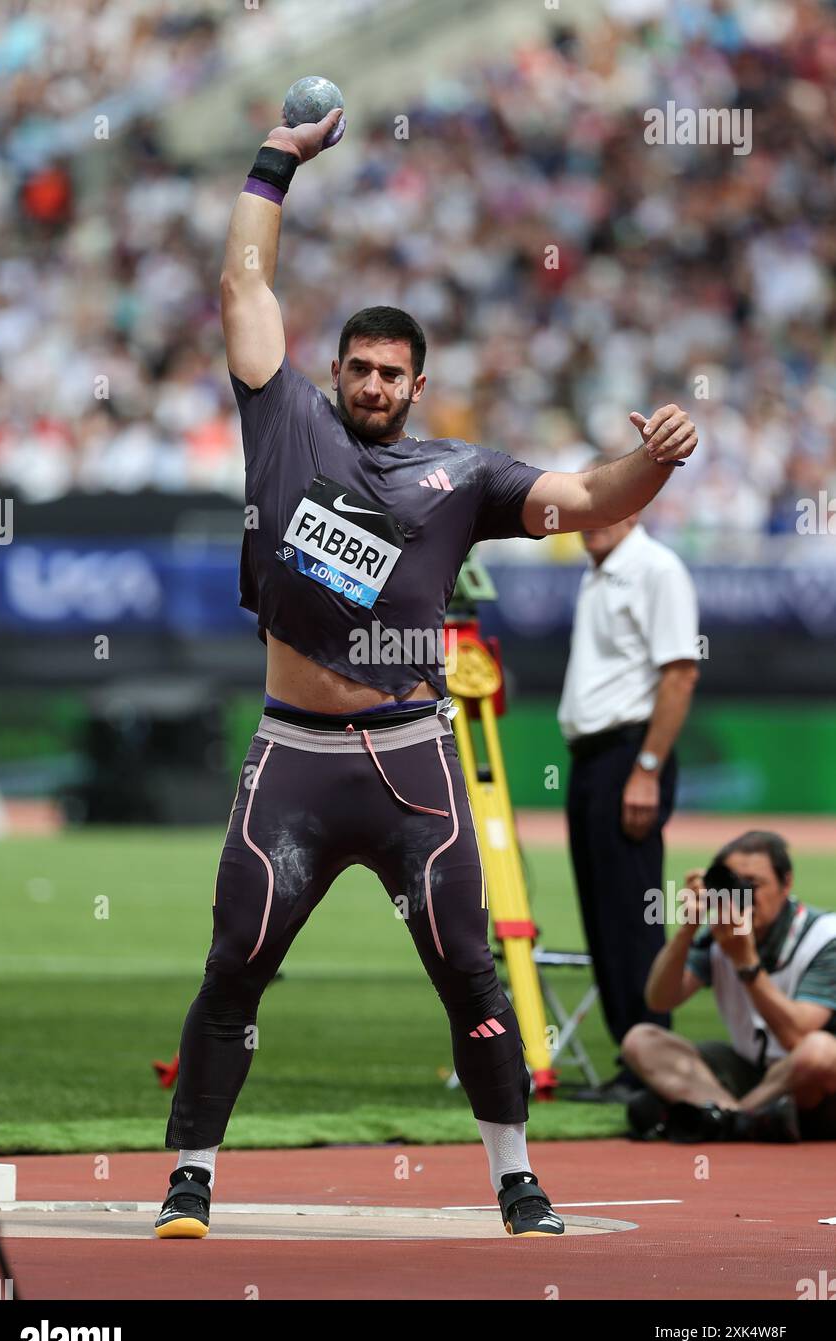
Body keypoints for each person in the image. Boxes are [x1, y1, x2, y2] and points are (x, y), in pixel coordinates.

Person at [153, 105, 698, 1239]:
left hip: (412, 764)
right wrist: (274, 163)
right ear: (338, 368)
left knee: (469, 973)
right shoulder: (284, 419)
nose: (369, 383)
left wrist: (650, 464)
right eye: (356, 366)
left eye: (389, 373)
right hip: (293, 758)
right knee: (235, 962)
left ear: (416, 382)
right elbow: (243, 290)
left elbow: (589, 499)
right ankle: (190, 1178)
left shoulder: (466, 475)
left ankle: (515, 1181)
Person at [558, 513, 700, 1103]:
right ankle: (631, 1063)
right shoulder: (599, 571)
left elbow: (680, 673)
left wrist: (646, 769)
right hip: (595, 757)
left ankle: (651, 1062)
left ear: (634, 508)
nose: (591, 523)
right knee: (602, 910)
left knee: (632, 913)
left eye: (604, 508)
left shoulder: (656, 568)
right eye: (584, 511)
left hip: (629, 754)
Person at [622, 830, 836, 1141]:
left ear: (786, 883)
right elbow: (659, 999)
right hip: (752, 1072)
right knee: (641, 1040)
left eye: (754, 884)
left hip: (813, 1085)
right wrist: (687, 930)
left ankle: (721, 1117)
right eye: (734, 885)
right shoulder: (718, 934)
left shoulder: (824, 938)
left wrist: (746, 964)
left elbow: (797, 1038)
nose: (743, 896)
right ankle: (743, 1120)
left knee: (818, 1052)